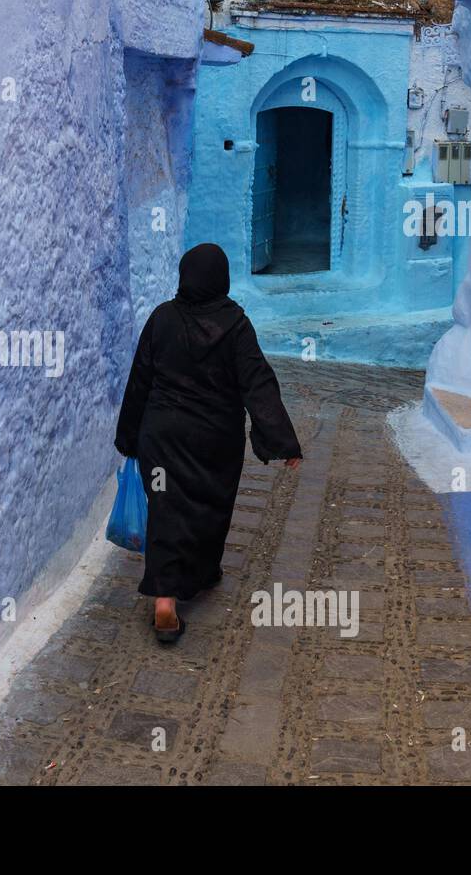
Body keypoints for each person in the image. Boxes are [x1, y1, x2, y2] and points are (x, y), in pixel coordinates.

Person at [115, 243, 302, 643]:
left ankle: (165, 597)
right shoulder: (235, 324)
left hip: (162, 436)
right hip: (214, 442)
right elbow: (258, 383)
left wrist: (129, 437)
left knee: (166, 507)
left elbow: (139, 382)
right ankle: (201, 572)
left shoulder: (162, 318)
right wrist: (283, 441)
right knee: (208, 506)